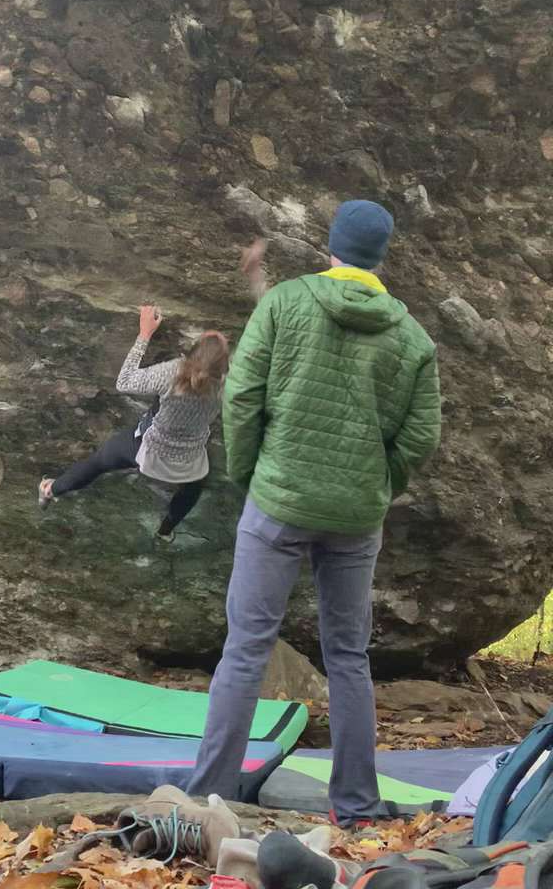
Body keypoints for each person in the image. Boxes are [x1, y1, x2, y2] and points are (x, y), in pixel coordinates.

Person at [186, 199, 442, 826]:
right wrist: (376, 485)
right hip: (356, 514)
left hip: (277, 498)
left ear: (332, 245)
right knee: (349, 657)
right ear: (381, 255)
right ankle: (354, 803)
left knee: (246, 646)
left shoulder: (287, 302)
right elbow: (420, 435)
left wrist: (250, 473)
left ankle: (209, 799)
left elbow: (244, 394)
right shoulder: (413, 338)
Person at [38, 306, 229, 542]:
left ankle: (50, 490)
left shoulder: (172, 373)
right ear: (224, 367)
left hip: (146, 451)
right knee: (193, 489)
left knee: (98, 463)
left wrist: (144, 334)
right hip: (189, 463)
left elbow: (125, 381)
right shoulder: (229, 388)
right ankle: (165, 531)